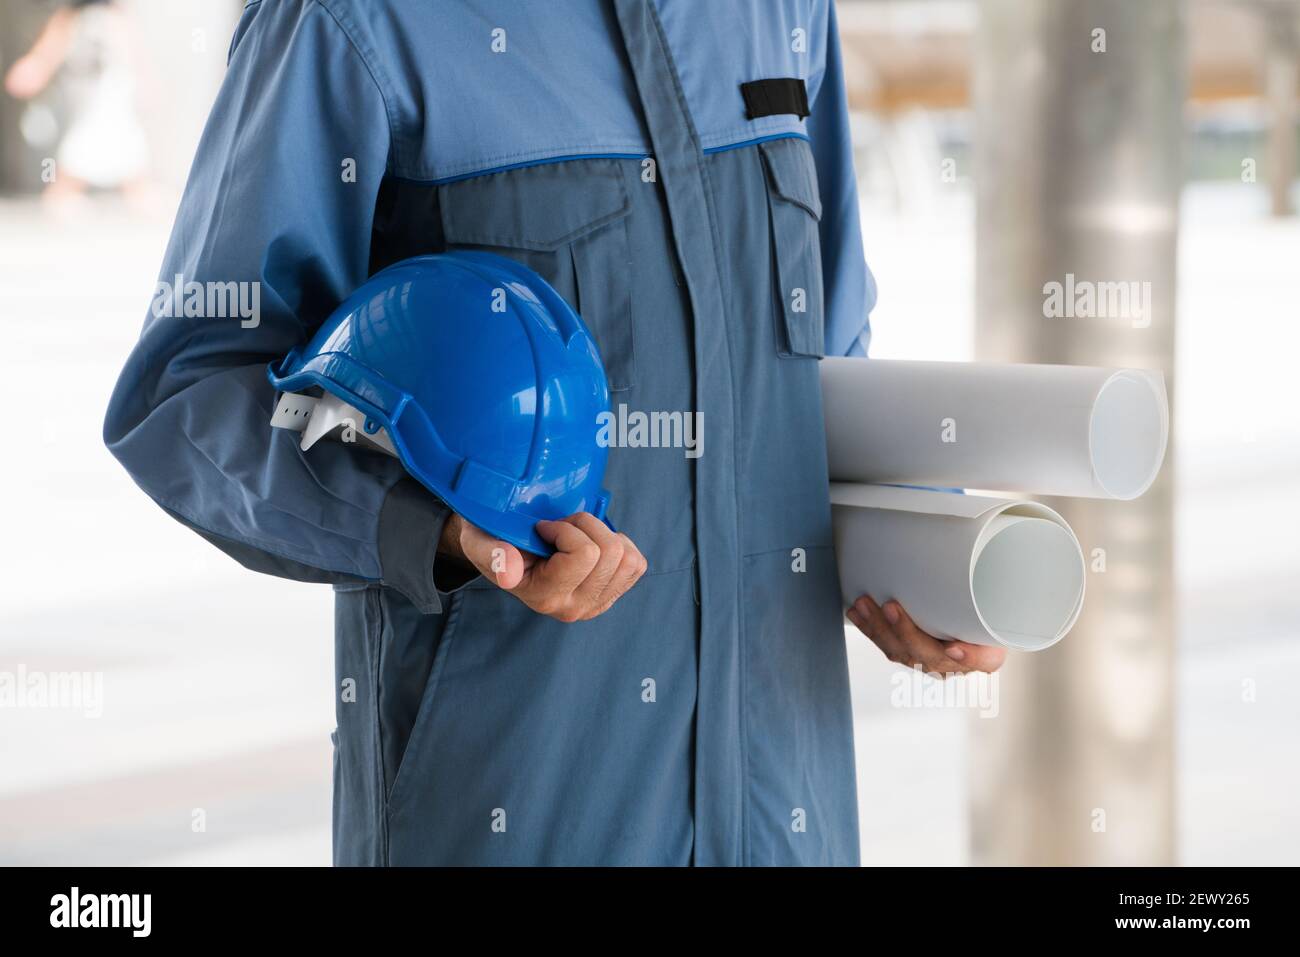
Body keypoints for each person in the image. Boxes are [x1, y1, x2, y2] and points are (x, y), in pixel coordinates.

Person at [104, 0, 1004, 867]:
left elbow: (826, 354)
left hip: (787, 816)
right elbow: (189, 395)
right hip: (518, 813)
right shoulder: (351, 18)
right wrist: (443, 534)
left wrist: (922, 554)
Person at [4, 0, 149, 210]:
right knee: (80, 167)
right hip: (91, 105)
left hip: (112, 102)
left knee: (131, 170)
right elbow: (45, 57)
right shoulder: (73, 19)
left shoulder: (112, 17)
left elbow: (133, 57)